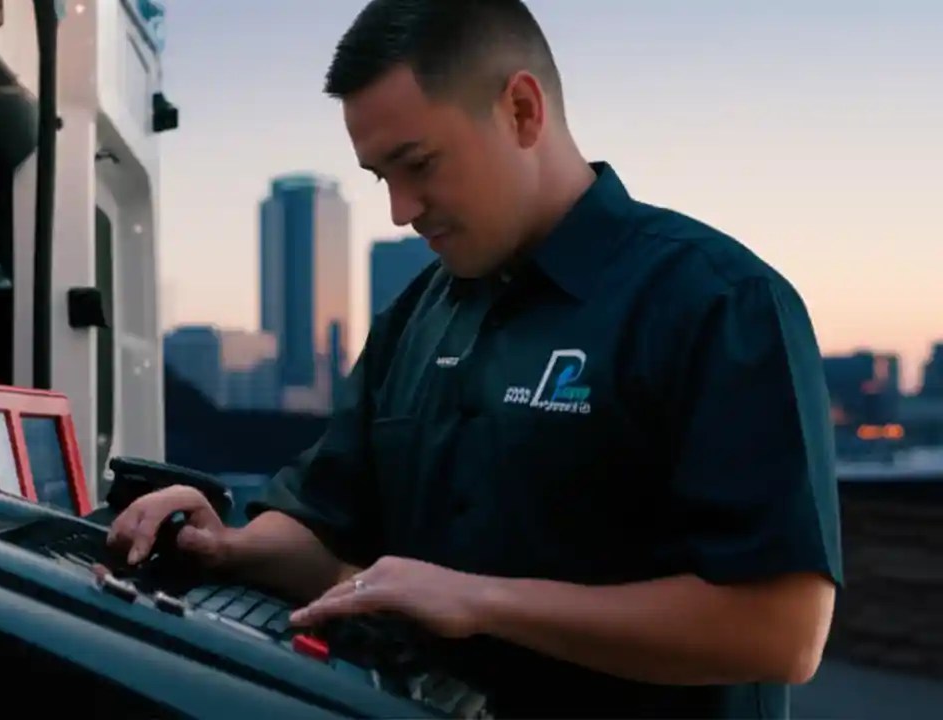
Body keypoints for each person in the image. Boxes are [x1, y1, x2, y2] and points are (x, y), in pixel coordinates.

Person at [108, 0, 842, 716]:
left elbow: (781, 631)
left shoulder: (717, 302)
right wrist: (227, 544)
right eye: (381, 177)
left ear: (522, 110)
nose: (401, 209)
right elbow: (325, 532)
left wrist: (478, 601)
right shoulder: (416, 315)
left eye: (419, 164)